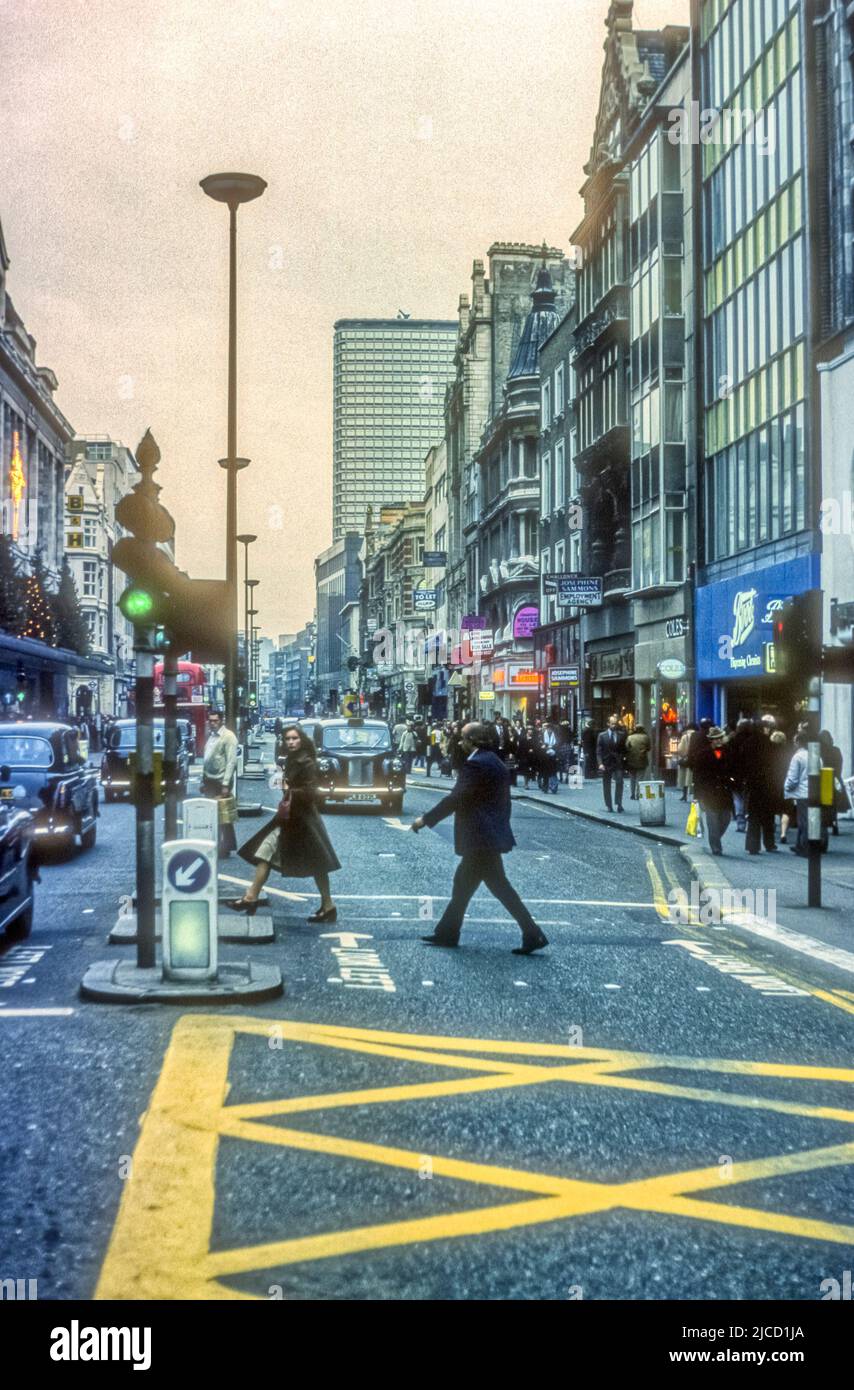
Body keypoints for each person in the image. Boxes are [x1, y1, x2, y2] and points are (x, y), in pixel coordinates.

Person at [410, 721, 548, 954]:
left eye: (463, 738)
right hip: (488, 835)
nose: (460, 742)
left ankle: (532, 933)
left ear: (473, 740)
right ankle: (448, 932)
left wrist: (425, 820)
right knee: (467, 886)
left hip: (480, 837)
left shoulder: (475, 765)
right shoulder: (493, 760)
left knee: (493, 887)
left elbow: (456, 798)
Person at [229, 724, 340, 919]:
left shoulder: (307, 762)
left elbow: (311, 793)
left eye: (294, 738)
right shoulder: (290, 760)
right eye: (287, 739)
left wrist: (288, 788)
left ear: (302, 739)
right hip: (289, 819)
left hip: (304, 821)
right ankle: (251, 896)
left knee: (318, 865)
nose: (291, 742)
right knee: (265, 852)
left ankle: (328, 905)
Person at [689, 725, 734, 855]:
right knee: (713, 821)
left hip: (725, 792)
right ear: (711, 740)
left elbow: (734, 769)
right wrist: (697, 795)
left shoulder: (728, 752)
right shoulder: (703, 754)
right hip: (709, 793)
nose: (719, 741)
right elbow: (697, 776)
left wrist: (733, 782)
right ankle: (716, 846)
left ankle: (715, 838)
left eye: (720, 738)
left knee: (726, 819)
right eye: (716, 739)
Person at [202, 710, 239, 857]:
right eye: (210, 720)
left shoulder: (228, 737)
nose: (212, 723)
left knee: (223, 816)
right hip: (209, 780)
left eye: (215, 720)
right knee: (212, 814)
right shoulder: (210, 736)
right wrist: (202, 779)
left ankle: (226, 846)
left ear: (221, 721)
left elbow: (231, 762)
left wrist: (225, 784)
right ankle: (216, 844)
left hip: (220, 781)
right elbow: (206, 759)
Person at [596, 714, 627, 813]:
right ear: (608, 724)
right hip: (606, 763)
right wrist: (600, 763)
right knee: (606, 784)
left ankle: (619, 803)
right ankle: (609, 805)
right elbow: (599, 751)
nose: (614, 726)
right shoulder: (602, 735)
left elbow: (623, 749)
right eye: (612, 724)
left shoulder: (621, 735)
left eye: (615, 723)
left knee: (619, 782)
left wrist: (622, 758)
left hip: (617, 762)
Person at [625, 724, 651, 801]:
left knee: (632, 778)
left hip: (631, 761)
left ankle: (632, 794)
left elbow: (626, 747)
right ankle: (638, 794)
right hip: (642, 760)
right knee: (640, 779)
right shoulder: (646, 737)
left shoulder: (630, 737)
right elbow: (649, 748)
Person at [677, 723, 696, 802]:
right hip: (694, 759)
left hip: (686, 759)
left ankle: (684, 796)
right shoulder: (697, 735)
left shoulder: (685, 736)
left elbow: (680, 749)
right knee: (693, 779)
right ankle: (695, 796)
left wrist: (683, 755)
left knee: (685, 778)